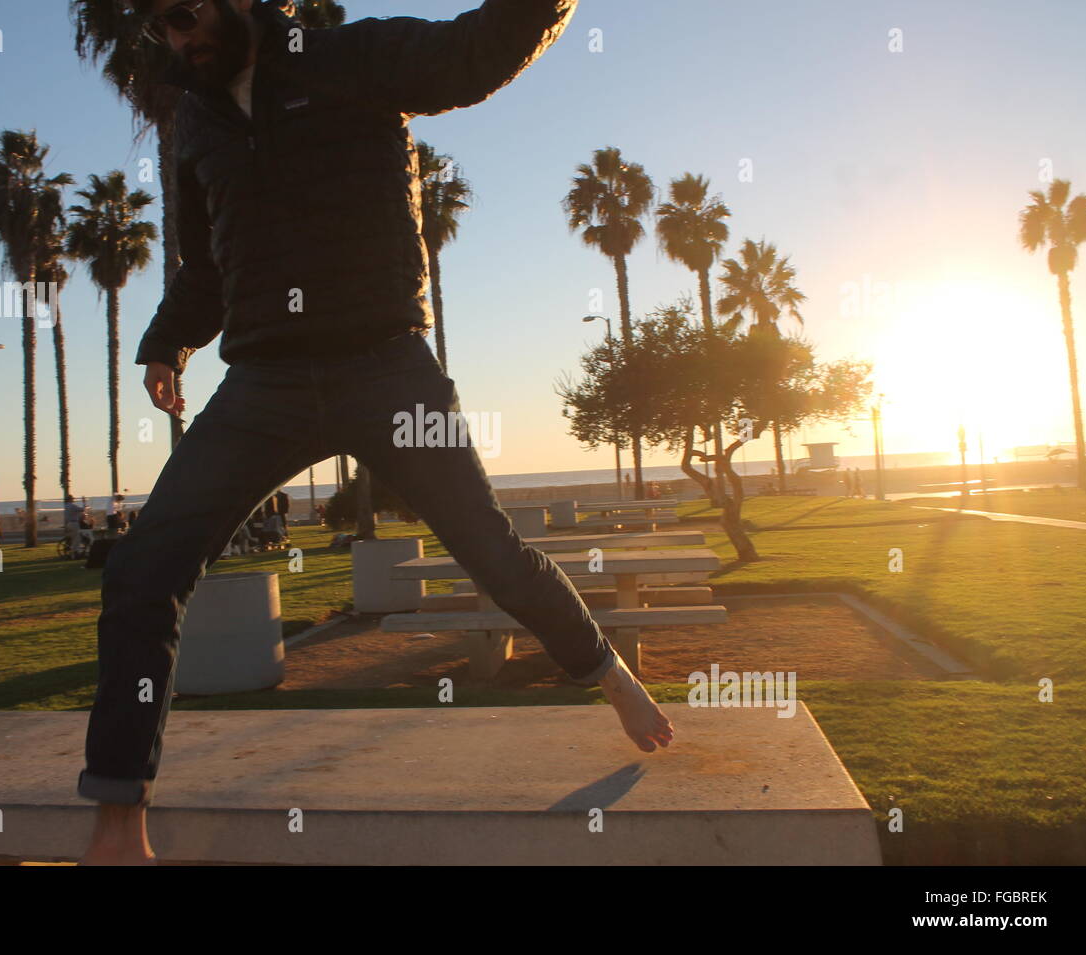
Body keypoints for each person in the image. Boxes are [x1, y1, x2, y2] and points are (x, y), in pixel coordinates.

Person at [77, 0, 670, 866]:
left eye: (187, 13)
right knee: (141, 571)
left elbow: (475, 52)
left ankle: (609, 675)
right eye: (162, 26)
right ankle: (119, 822)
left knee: (492, 550)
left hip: (383, 364)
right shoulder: (194, 119)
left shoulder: (352, 59)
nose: (179, 38)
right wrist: (167, 340)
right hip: (265, 382)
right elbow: (203, 268)